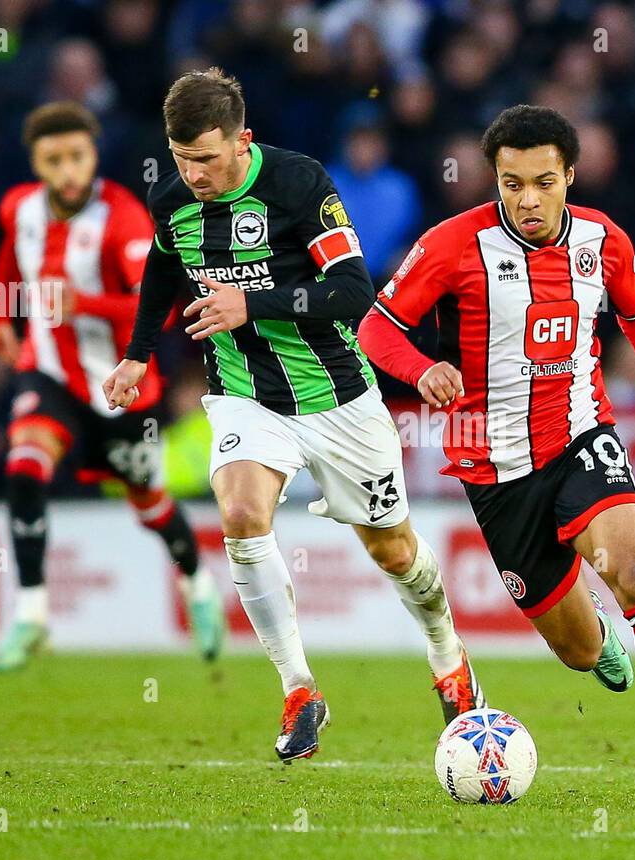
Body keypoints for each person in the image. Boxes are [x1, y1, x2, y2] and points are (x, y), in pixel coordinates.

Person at [357, 104, 635, 804]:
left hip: (580, 437)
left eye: (543, 181)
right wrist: (421, 371)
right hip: (495, 471)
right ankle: (599, 641)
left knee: (632, 570)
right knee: (575, 650)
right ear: (495, 180)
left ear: (570, 174)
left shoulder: (604, 241)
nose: (527, 200)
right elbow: (376, 329)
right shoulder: (451, 245)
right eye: (511, 184)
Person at [102, 68, 483, 762]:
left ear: (242, 141)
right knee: (243, 517)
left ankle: (449, 657)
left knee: (393, 551)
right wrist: (136, 355)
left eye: (208, 159)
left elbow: (351, 290)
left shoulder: (300, 183)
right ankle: (299, 688)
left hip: (338, 395)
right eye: (182, 158)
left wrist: (254, 302)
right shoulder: (171, 199)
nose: (194, 174)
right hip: (243, 393)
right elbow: (163, 267)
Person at [0, 101, 224, 673]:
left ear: (93, 155)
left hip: (123, 389)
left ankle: (199, 586)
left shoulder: (124, 218)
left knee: (149, 502)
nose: (67, 170)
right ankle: (33, 613)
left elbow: (159, 310)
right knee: (23, 468)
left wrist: (83, 303)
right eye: (53, 159)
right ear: (36, 163)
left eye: (77, 156)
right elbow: (5, 271)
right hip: (50, 376)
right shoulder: (19, 208)